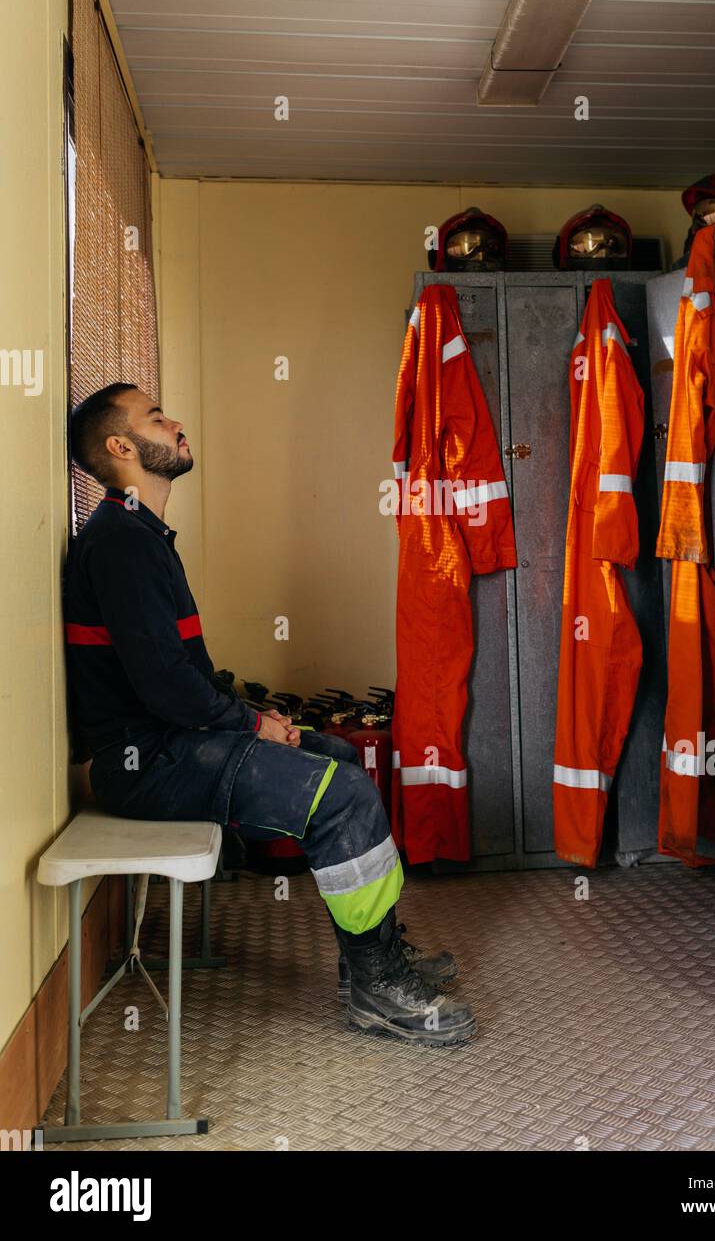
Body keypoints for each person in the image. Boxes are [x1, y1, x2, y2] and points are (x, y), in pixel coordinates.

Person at [64, 383, 473, 1046]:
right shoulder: (121, 543)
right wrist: (253, 726)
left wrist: (259, 715)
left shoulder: (141, 533)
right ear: (120, 446)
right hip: (144, 761)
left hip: (172, 742)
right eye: (156, 418)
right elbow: (166, 687)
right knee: (340, 794)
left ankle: (371, 956)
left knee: (337, 755)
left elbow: (183, 676)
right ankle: (377, 988)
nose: (175, 423)